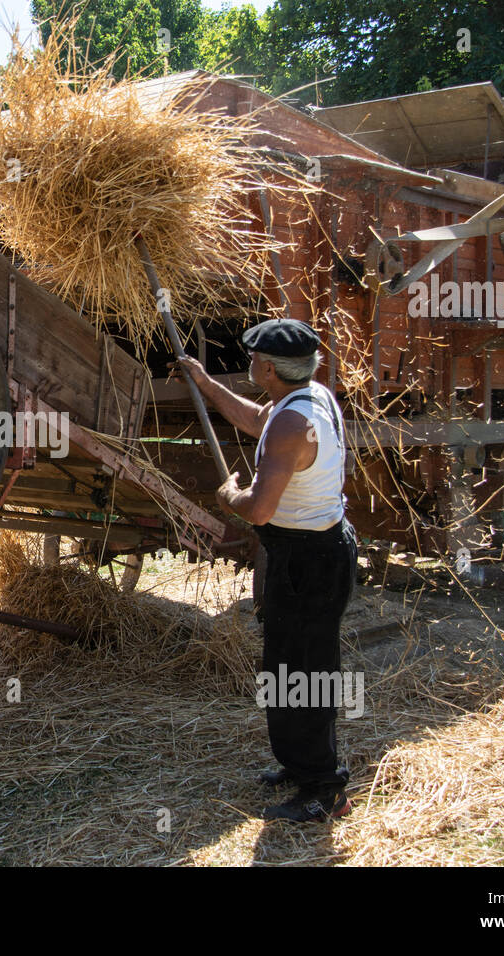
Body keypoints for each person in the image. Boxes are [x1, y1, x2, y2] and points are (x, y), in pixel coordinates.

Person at [176, 318, 357, 822]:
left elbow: (256, 510)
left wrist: (228, 495)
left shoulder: (293, 423)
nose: (250, 364)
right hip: (308, 552)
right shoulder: (308, 396)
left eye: (254, 360)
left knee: (307, 673)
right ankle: (299, 766)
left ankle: (324, 790)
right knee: (285, 667)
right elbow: (258, 419)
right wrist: (206, 383)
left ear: (270, 368)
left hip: (310, 561)